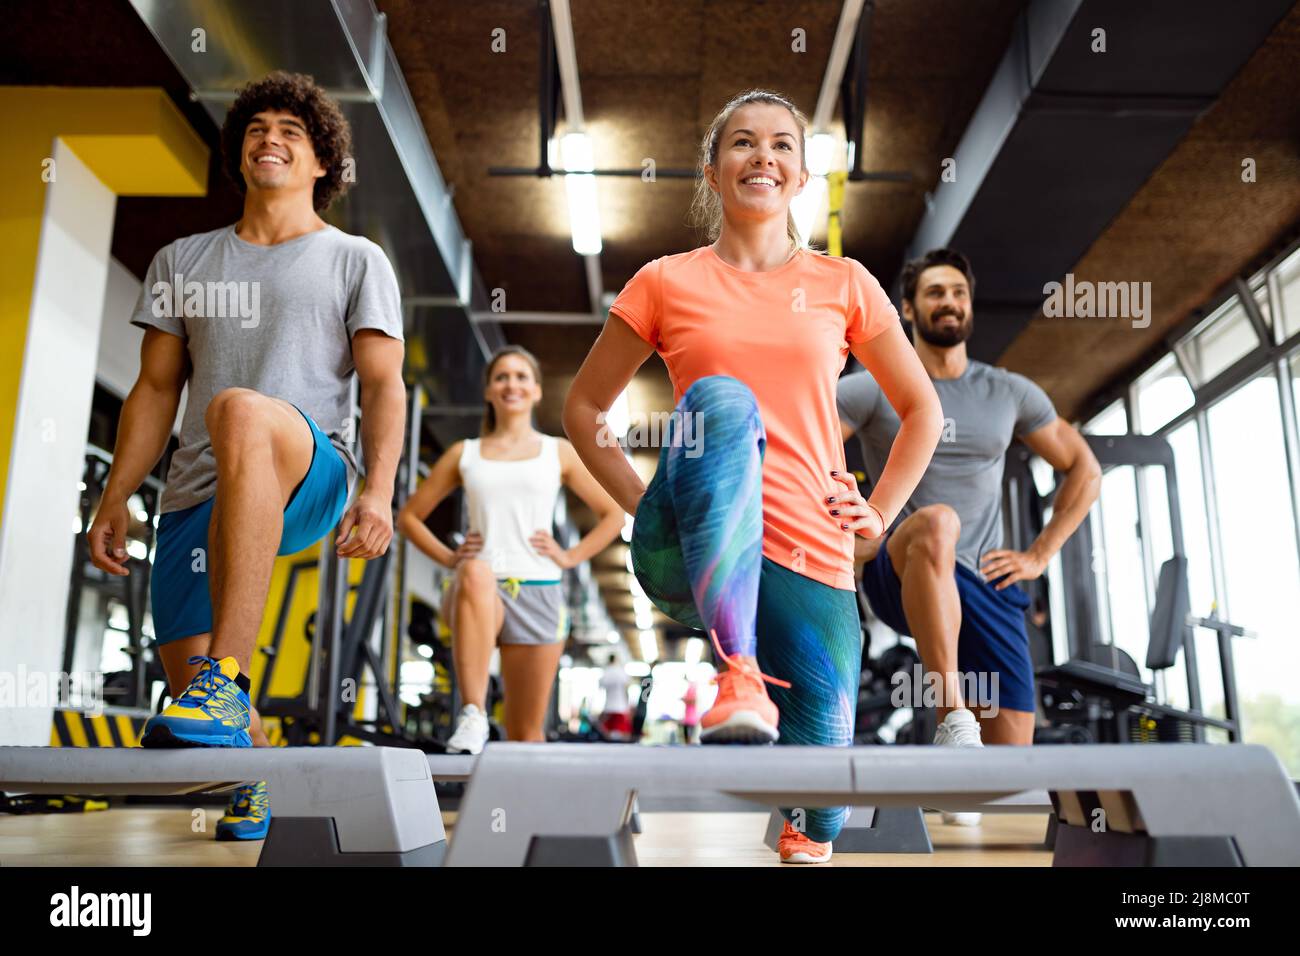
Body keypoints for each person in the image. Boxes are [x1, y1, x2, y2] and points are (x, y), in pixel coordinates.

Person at [563, 90, 944, 864]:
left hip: (814, 550)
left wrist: (878, 511)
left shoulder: (846, 285)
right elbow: (582, 409)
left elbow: (922, 411)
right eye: (741, 143)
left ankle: (802, 820)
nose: (761, 157)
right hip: (694, 547)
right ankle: (736, 670)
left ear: (802, 176)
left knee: (819, 813)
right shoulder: (665, 282)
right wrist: (646, 508)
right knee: (723, 404)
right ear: (713, 171)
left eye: (780, 146)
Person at [87, 72, 406, 841]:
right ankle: (250, 771)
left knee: (239, 410)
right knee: (191, 698)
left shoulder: (355, 259)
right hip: (200, 491)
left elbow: (385, 386)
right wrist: (115, 496)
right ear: (240, 153)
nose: (272, 138)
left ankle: (228, 680)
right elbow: (157, 390)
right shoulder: (183, 261)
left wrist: (379, 494)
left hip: (310, 469)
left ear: (322, 162)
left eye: (292, 132)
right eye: (258, 128)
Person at [838, 247, 1101, 822]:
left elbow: (1083, 467)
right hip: (901, 566)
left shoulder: (1008, 392)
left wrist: (1039, 554)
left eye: (957, 292)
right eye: (934, 292)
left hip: (987, 579)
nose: (949, 302)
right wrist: (855, 522)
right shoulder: (873, 385)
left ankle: (954, 784)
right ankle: (953, 717)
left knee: (1006, 783)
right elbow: (805, 439)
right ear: (908, 308)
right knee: (937, 523)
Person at [397, 346, 622, 753]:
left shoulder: (558, 452)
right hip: (477, 589)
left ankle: (517, 816)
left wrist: (569, 557)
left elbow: (613, 515)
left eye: (522, 376)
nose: (511, 384)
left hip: (539, 590)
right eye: (501, 377)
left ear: (537, 391)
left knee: (526, 735)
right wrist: (451, 558)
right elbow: (409, 517)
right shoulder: (464, 453)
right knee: (477, 572)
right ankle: (473, 714)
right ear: (488, 391)